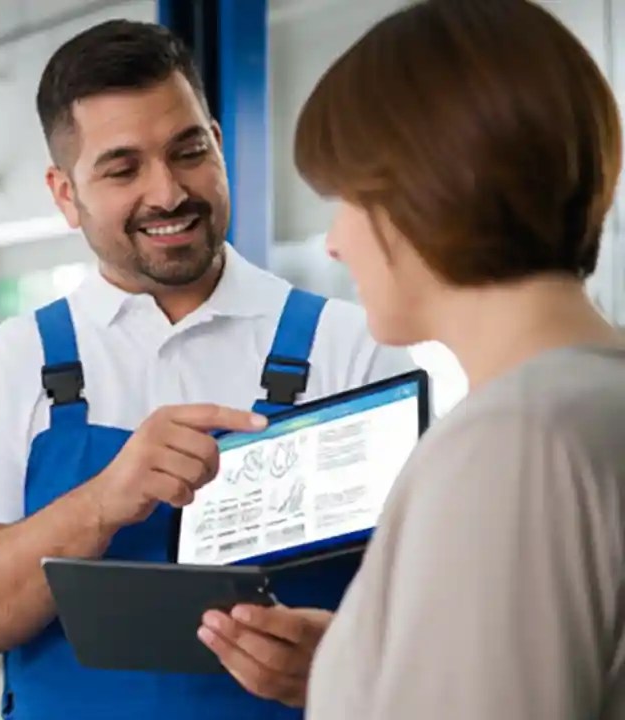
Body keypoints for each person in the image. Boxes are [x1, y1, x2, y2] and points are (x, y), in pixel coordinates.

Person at [0, 19, 415, 718]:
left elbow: (439, 607)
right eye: (123, 169)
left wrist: (345, 658)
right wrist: (101, 502)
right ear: (65, 194)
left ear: (218, 143)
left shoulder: (352, 347)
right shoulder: (12, 363)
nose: (169, 192)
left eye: (189, 151)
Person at [197, 1, 625, 716]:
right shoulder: (590, 402)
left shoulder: (511, 443)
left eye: (348, 200)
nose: (334, 242)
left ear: (428, 191)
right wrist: (361, 665)